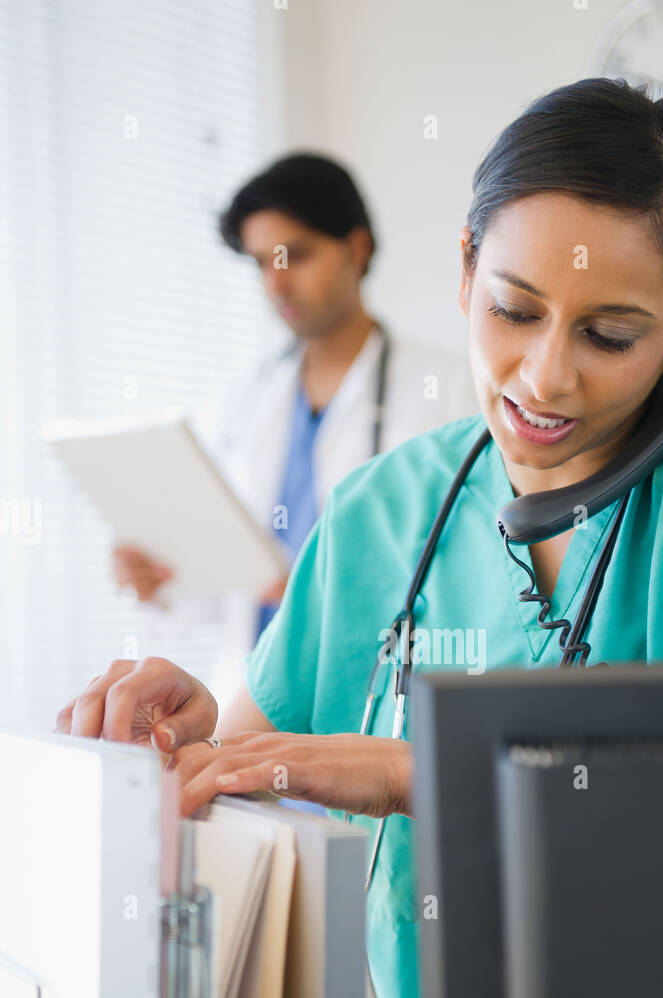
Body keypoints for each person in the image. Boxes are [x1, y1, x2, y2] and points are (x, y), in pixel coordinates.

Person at [57, 79, 663, 998]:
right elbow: (246, 767)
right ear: (464, 267)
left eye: (611, 334)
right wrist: (188, 732)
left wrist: (421, 773)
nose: (544, 376)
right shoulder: (388, 507)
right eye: (514, 309)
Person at [113, 152, 477, 667]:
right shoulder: (240, 402)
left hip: (373, 686)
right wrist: (161, 577)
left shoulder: (450, 390)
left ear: (356, 249)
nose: (275, 284)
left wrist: (333, 590)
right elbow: (223, 586)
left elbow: (472, 572)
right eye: (261, 262)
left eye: (294, 256)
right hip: (254, 694)